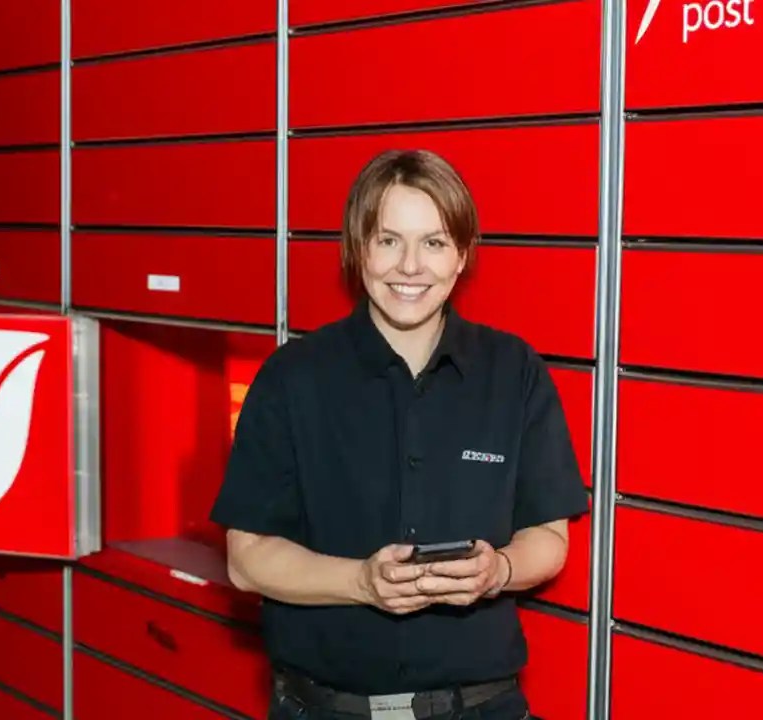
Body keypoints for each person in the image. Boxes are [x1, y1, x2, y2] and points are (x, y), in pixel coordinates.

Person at [210, 149, 589, 720]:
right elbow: (248, 558)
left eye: (434, 243)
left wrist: (498, 571)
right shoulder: (292, 379)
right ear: (358, 250)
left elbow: (549, 538)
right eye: (389, 241)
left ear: (461, 256)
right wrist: (361, 582)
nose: (410, 266)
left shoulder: (515, 372)